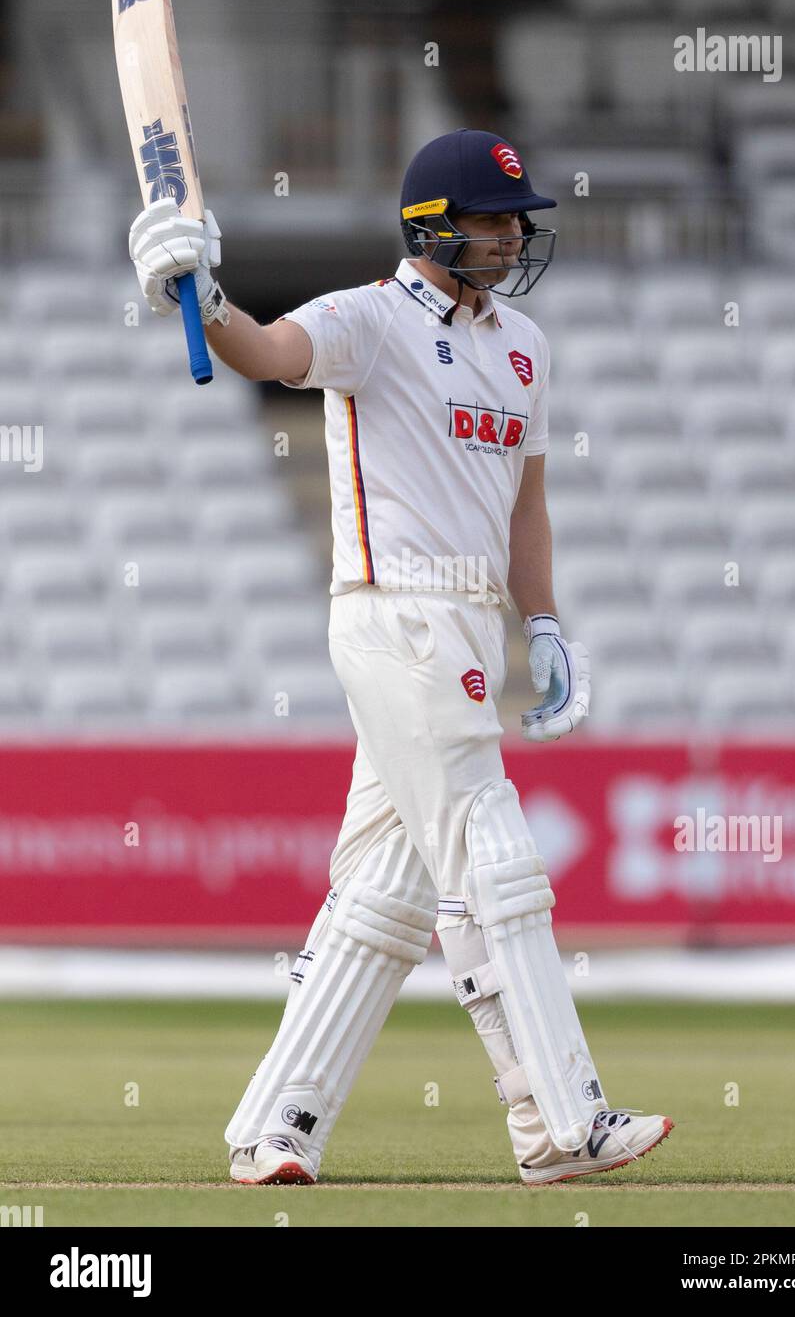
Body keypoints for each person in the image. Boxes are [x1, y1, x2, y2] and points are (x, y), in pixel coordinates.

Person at [128, 128, 674, 1186]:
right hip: (393, 612)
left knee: (386, 894)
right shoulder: (366, 319)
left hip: (467, 623)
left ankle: (273, 1129)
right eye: (491, 217)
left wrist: (546, 623)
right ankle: (562, 1120)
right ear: (430, 226)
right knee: (496, 856)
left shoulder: (524, 346)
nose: (512, 234)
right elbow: (269, 352)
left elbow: (527, 503)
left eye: (517, 218)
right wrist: (196, 292)